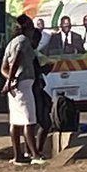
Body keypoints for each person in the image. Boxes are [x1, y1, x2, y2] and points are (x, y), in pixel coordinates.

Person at [1, 14, 44, 165]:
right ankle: (35, 155)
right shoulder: (24, 41)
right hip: (23, 85)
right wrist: (12, 79)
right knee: (29, 120)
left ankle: (18, 156)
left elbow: (3, 68)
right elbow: (17, 59)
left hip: (14, 87)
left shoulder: (10, 44)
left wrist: (10, 80)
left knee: (15, 121)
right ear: (27, 29)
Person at [30, 27, 53, 158]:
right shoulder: (27, 53)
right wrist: (44, 69)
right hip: (33, 90)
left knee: (43, 122)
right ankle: (34, 152)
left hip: (37, 88)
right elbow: (30, 72)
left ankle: (37, 150)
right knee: (41, 122)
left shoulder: (32, 53)